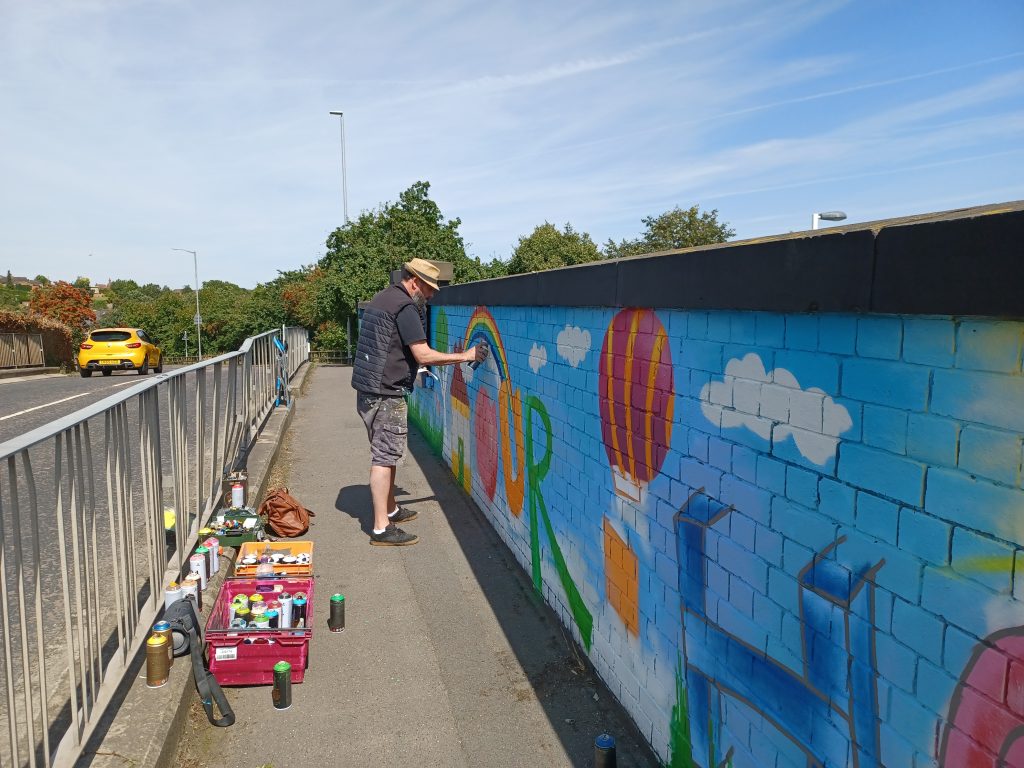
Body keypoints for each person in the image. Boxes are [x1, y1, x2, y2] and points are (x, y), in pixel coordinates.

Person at [351, 258, 487, 546]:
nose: (432, 295)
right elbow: (423, 355)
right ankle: (380, 528)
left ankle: (390, 509)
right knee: (384, 457)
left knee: (387, 455)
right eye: (429, 289)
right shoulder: (405, 307)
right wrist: (467, 356)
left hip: (370, 388)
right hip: (385, 391)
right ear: (414, 281)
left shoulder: (384, 298)